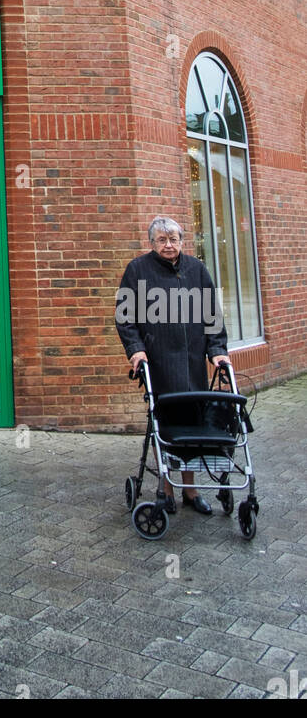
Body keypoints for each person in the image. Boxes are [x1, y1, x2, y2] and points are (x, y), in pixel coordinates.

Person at [115, 217, 230, 514]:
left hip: (193, 364)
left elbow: (212, 315)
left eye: (173, 239)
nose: (169, 245)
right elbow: (125, 317)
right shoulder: (137, 270)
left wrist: (217, 350)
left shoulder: (197, 269)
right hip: (160, 363)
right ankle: (166, 488)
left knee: (193, 424)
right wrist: (136, 350)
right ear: (152, 243)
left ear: (182, 240)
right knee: (165, 425)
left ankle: (190, 490)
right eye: (162, 240)